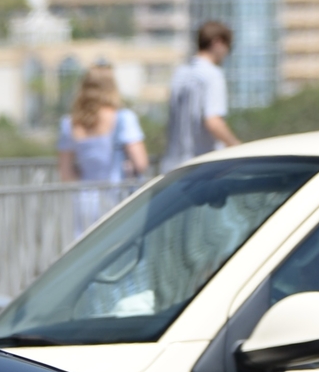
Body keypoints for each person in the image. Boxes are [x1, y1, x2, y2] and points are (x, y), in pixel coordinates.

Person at [57, 64, 147, 235]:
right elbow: (141, 163)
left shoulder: (69, 123)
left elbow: (66, 173)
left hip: (85, 200)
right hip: (117, 196)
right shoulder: (124, 118)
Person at [161, 20, 239, 172]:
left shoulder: (180, 73)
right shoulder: (212, 75)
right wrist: (237, 146)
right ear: (217, 43)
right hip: (202, 166)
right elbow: (213, 121)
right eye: (228, 47)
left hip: (173, 166)